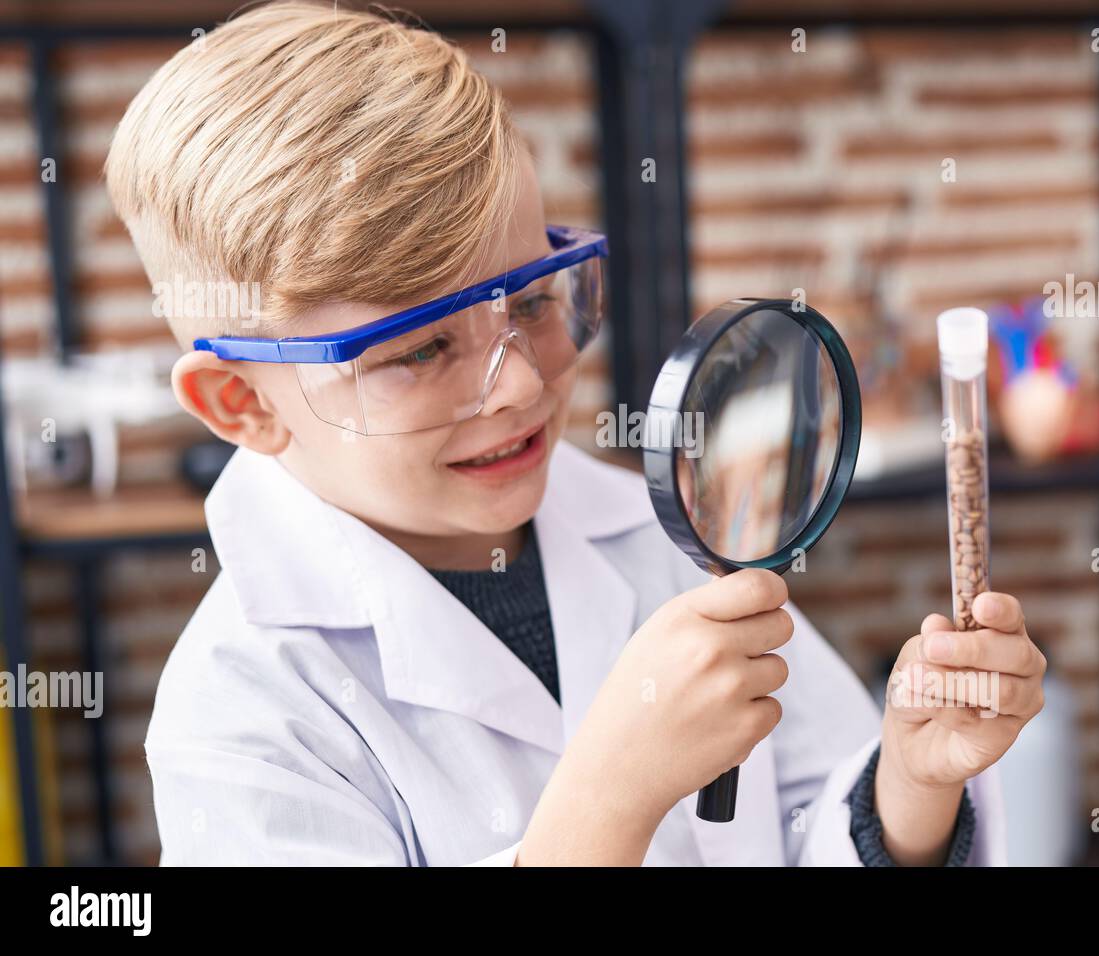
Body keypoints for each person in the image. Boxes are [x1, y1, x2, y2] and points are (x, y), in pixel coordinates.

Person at [104, 0, 1044, 866]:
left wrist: (913, 785)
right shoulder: (241, 716)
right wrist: (609, 795)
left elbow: (812, 823)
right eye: (419, 352)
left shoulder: (657, 539)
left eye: (536, 299)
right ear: (243, 404)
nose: (516, 384)